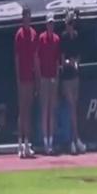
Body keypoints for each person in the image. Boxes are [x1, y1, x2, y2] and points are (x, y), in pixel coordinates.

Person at [60, 9, 87, 155]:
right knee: (71, 108)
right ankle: (73, 139)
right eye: (68, 23)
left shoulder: (76, 36)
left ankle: (75, 140)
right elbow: (62, 60)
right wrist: (70, 62)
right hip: (66, 77)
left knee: (74, 108)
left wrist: (76, 62)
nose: (70, 26)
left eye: (72, 23)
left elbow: (79, 56)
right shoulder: (63, 37)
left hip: (75, 76)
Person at [14, 6, 39, 158]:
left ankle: (27, 143)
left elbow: (36, 58)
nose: (27, 19)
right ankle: (20, 143)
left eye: (29, 16)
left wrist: (37, 79)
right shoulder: (19, 35)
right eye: (25, 16)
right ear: (22, 18)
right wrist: (18, 78)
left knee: (28, 111)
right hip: (22, 78)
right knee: (22, 111)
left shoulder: (34, 34)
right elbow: (16, 58)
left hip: (30, 77)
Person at [37, 13, 61, 155]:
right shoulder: (41, 39)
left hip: (53, 78)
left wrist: (56, 78)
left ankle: (51, 142)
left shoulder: (57, 39)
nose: (51, 26)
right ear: (46, 25)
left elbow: (57, 61)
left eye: (52, 23)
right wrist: (40, 79)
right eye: (49, 23)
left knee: (52, 111)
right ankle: (45, 142)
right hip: (44, 78)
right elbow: (38, 59)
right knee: (45, 110)